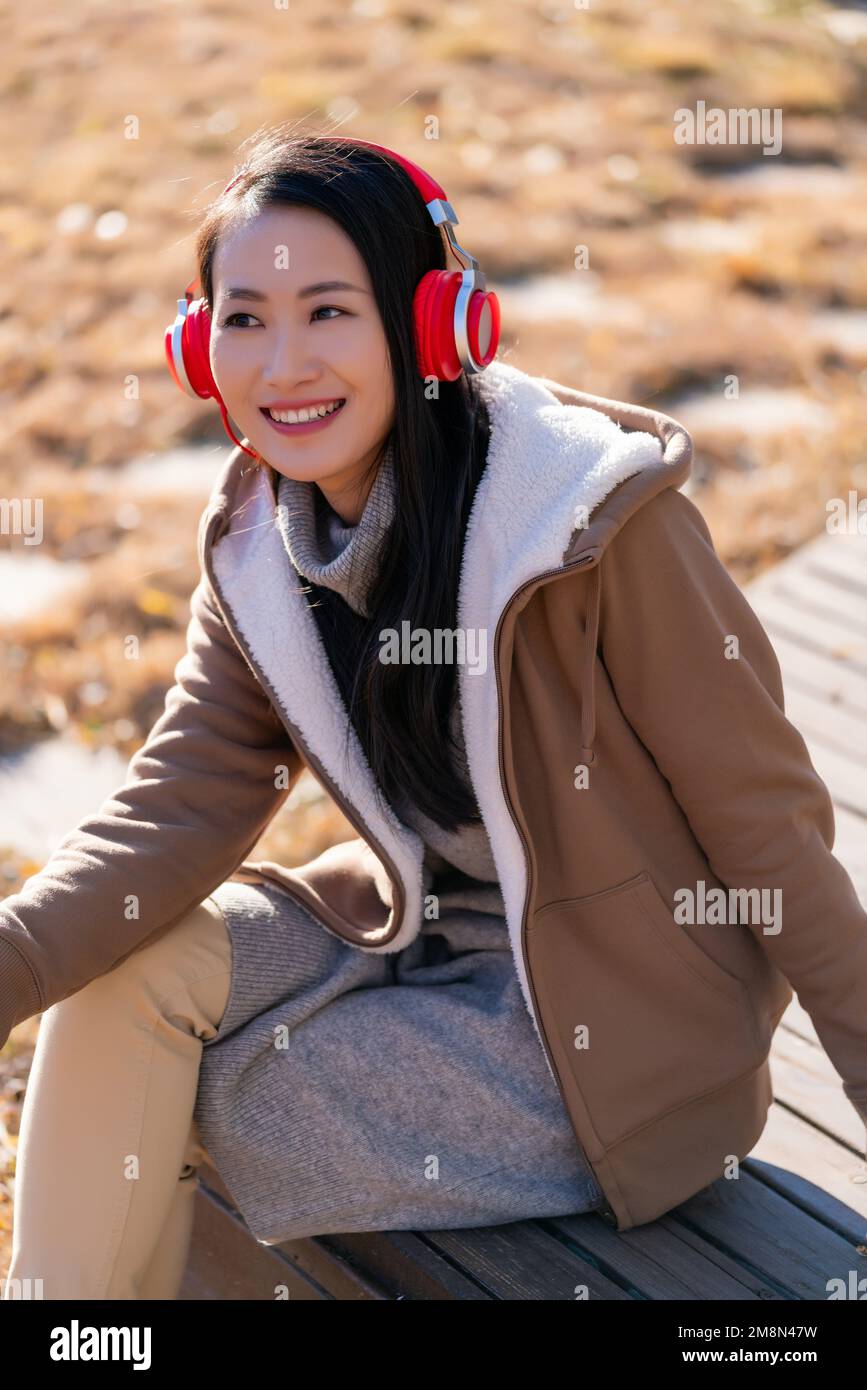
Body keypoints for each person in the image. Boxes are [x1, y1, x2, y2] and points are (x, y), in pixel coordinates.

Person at [3, 130, 866, 1301]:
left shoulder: (595, 528)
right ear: (198, 349)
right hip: (429, 953)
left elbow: (773, 835)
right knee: (121, 988)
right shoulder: (263, 545)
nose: (283, 363)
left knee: (180, 1099)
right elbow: (173, 810)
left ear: (432, 330)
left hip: (611, 1040)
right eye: (245, 318)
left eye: (328, 312)